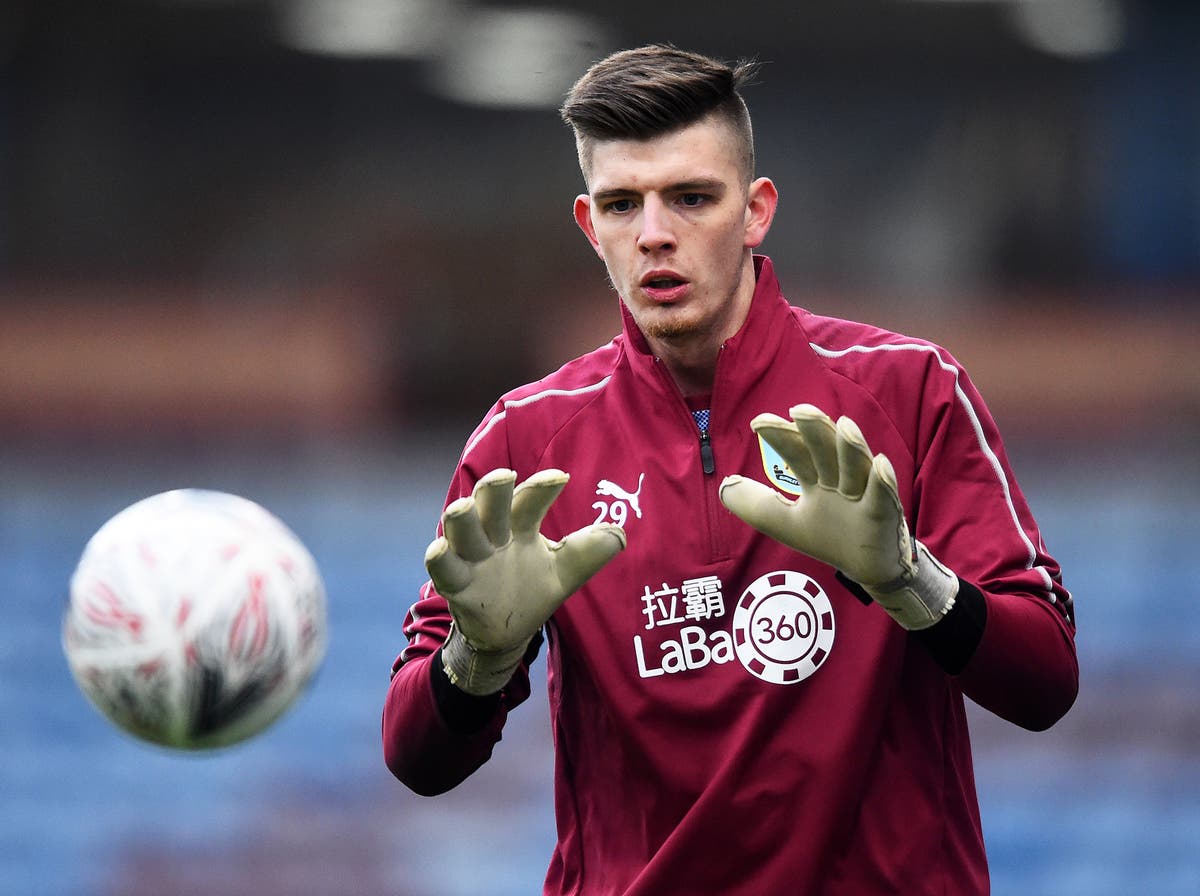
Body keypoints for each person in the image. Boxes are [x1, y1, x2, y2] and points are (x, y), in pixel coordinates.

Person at [383, 44, 1078, 895]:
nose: (654, 234)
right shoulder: (525, 444)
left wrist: (907, 581)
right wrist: (479, 656)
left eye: (691, 198)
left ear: (756, 212)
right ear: (587, 225)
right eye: (621, 204)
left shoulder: (909, 389)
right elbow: (416, 758)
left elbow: (1046, 680)